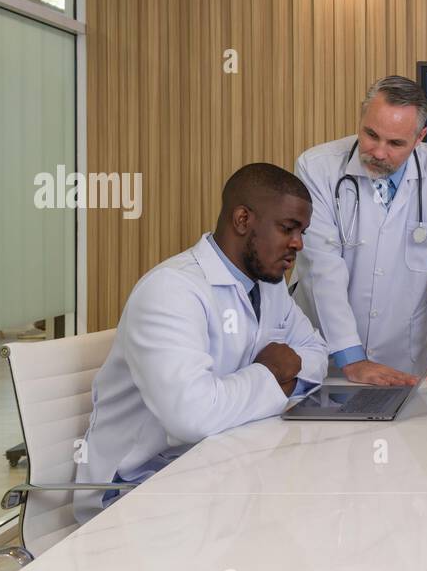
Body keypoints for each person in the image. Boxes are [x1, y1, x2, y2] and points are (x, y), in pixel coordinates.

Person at [75, 163, 329, 523]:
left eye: (302, 231)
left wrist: (267, 379)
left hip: (218, 466)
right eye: (288, 228)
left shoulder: (269, 287)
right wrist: (271, 373)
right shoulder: (173, 290)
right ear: (243, 220)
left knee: (313, 508)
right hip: (136, 486)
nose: (298, 244)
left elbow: (317, 356)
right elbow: (192, 417)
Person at [292, 75, 427, 390]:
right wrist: (352, 357)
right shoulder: (317, 168)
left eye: (396, 143)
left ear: (420, 137)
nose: (379, 152)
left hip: (401, 362)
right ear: (361, 117)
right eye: (371, 134)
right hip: (324, 357)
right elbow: (321, 268)